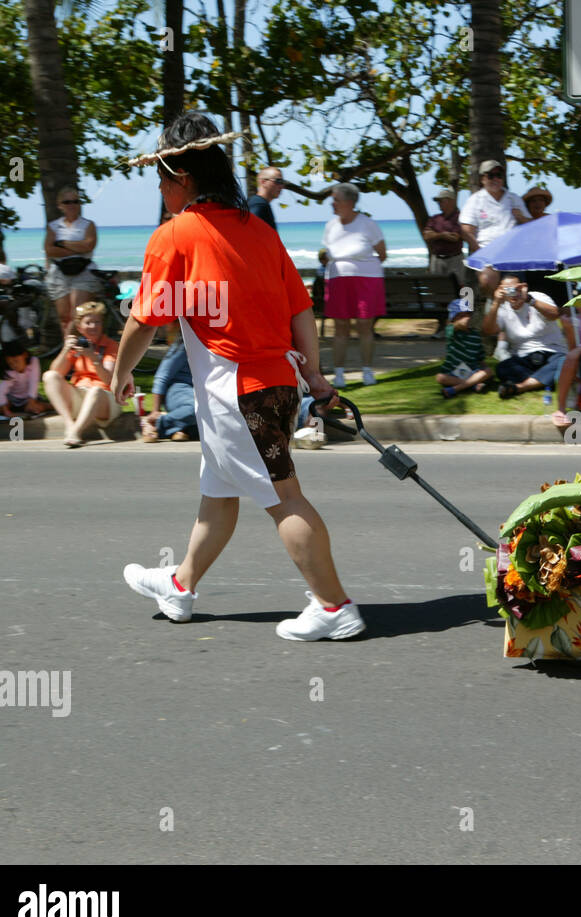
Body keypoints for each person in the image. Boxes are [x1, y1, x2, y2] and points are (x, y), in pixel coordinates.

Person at [114, 110, 363, 641]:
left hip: (236, 394)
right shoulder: (258, 230)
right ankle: (180, 587)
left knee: (285, 498)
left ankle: (334, 606)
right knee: (219, 491)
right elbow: (301, 309)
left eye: (160, 177)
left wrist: (120, 373)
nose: (158, 188)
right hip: (276, 383)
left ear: (182, 177)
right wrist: (314, 377)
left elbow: (143, 318)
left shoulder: (174, 235)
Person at [321, 182, 387, 387]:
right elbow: (327, 252)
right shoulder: (331, 225)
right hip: (337, 279)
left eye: (336, 200)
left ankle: (367, 371)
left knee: (364, 325)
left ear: (349, 203)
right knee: (340, 326)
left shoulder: (367, 223)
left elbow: (382, 254)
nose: (333, 204)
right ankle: (339, 374)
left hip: (366, 280)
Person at [42, 300, 120, 447]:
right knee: (49, 376)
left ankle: (75, 432)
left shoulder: (111, 345)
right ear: (79, 327)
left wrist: (93, 358)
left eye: (97, 322)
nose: (94, 326)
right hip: (81, 395)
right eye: (89, 323)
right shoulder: (78, 345)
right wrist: (66, 349)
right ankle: (69, 424)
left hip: (105, 399)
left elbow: (108, 379)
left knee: (95, 391)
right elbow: (56, 372)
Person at [484, 274, 573, 399]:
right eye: (507, 290)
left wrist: (530, 300)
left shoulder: (538, 297)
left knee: (563, 363)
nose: (512, 293)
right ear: (501, 290)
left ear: (523, 287)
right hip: (524, 358)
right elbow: (487, 330)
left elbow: (555, 314)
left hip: (553, 352)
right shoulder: (502, 307)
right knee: (502, 368)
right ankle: (545, 380)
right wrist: (495, 303)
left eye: (515, 289)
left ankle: (521, 386)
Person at [460, 159, 529, 295]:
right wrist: (481, 252)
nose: (495, 179)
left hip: (512, 256)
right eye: (491, 175)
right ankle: (493, 306)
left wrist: (521, 218)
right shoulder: (475, 200)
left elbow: (531, 226)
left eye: (499, 175)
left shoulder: (514, 199)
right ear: (482, 179)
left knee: (514, 294)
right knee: (487, 282)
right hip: (488, 255)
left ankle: (505, 309)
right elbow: (466, 231)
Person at [44, 186, 101, 336]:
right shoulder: (54, 226)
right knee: (64, 318)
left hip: (83, 271)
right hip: (59, 274)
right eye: (67, 202)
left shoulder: (88, 225)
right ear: (60, 205)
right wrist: (78, 247)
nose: (72, 205)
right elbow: (49, 250)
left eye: (75, 201)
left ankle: (81, 352)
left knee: (79, 315)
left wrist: (62, 243)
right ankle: (69, 354)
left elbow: (89, 245)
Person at [421, 187, 467, 336]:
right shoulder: (435, 218)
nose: (440, 204)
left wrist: (436, 235)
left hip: (455, 259)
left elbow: (455, 237)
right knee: (438, 293)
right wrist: (443, 235)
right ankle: (441, 325)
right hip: (437, 259)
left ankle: (459, 323)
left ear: (452, 201)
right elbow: (426, 235)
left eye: (443, 201)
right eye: (439, 201)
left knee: (460, 291)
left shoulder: (461, 218)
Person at [139, 331, 196, 442]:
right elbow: (162, 377)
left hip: (201, 391)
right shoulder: (184, 343)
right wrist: (155, 410)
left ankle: (180, 429)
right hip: (179, 389)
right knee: (196, 408)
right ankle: (155, 423)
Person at [435, 299, 491, 398]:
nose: (466, 318)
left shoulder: (475, 334)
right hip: (454, 372)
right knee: (440, 377)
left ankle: (456, 389)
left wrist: (485, 370)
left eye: (468, 314)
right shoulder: (451, 331)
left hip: (472, 371)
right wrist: (458, 322)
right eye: (461, 315)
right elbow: (453, 326)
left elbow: (480, 357)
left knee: (488, 371)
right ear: (454, 318)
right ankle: (472, 385)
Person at [0, 340, 49, 417]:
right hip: (11, 398)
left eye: (16, 361)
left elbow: (34, 382)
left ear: (25, 355)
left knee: (38, 408)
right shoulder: (10, 372)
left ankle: (56, 406)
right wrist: (7, 412)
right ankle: (4, 405)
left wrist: (31, 403)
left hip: (28, 397)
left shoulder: (33, 361)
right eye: (10, 363)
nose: (14, 365)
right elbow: (0, 392)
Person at [247, 167, 284, 231]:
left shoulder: (257, 202)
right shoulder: (259, 204)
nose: (281, 186)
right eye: (278, 181)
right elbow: (250, 228)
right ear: (263, 182)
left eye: (282, 182)